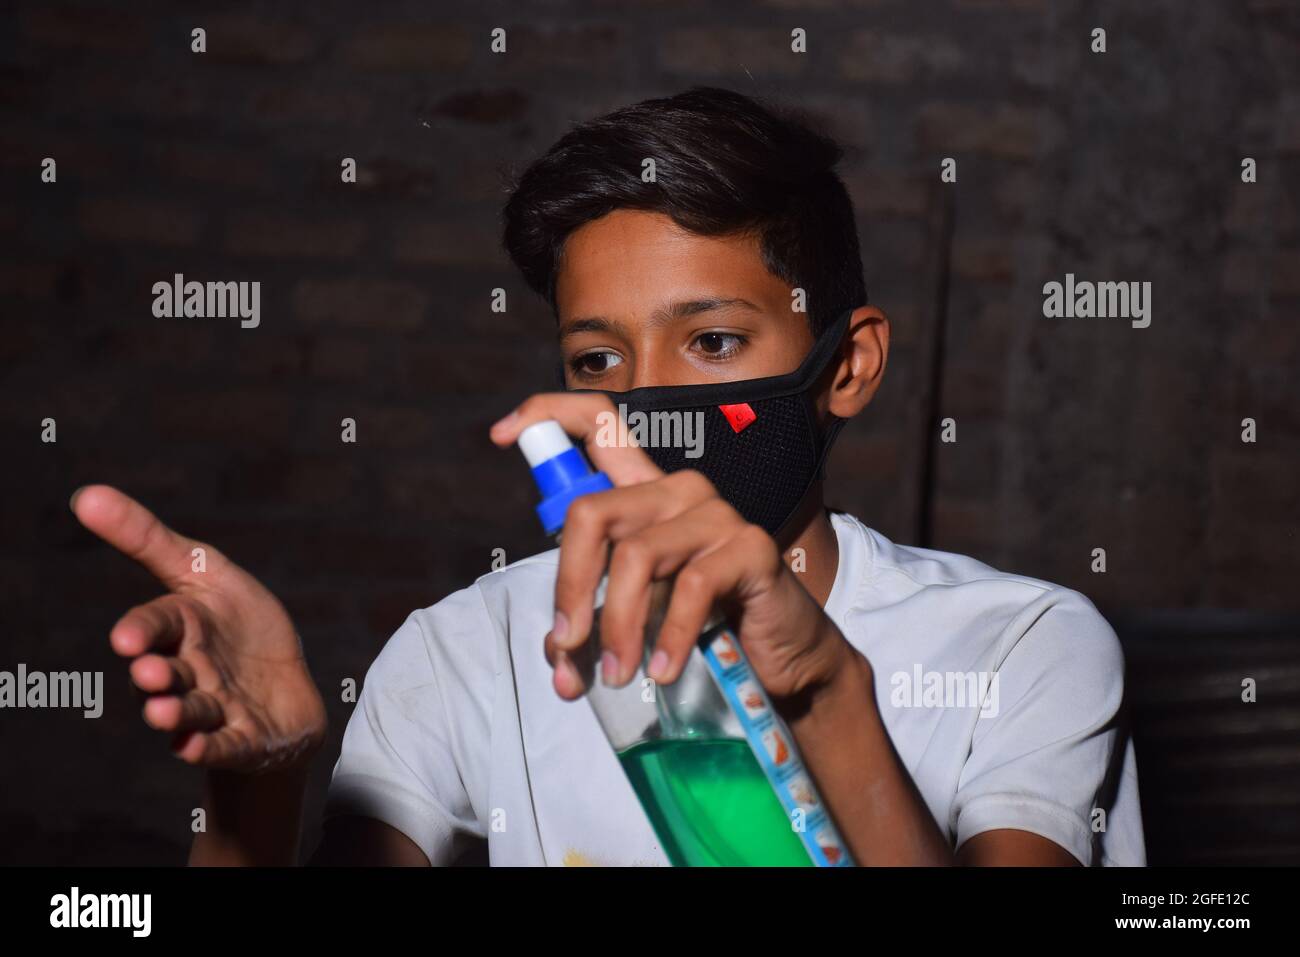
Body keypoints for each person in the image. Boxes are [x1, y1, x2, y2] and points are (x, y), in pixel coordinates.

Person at [70, 86, 1144, 867]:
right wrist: (254, 799)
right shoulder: (467, 650)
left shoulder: (1020, 645)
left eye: (713, 343)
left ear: (847, 367)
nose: (649, 399)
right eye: (597, 361)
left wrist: (823, 692)